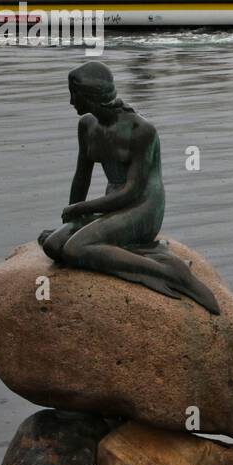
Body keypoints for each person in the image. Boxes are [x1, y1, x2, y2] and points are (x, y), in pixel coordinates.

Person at [37, 62, 220, 314]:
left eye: (74, 94)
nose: (70, 102)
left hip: (142, 207)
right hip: (112, 204)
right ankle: (128, 251)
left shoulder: (141, 130)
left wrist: (81, 208)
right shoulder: (88, 126)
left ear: (91, 96)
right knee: (53, 245)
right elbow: (82, 177)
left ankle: (171, 272)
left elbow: (132, 191)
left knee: (75, 248)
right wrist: (72, 217)